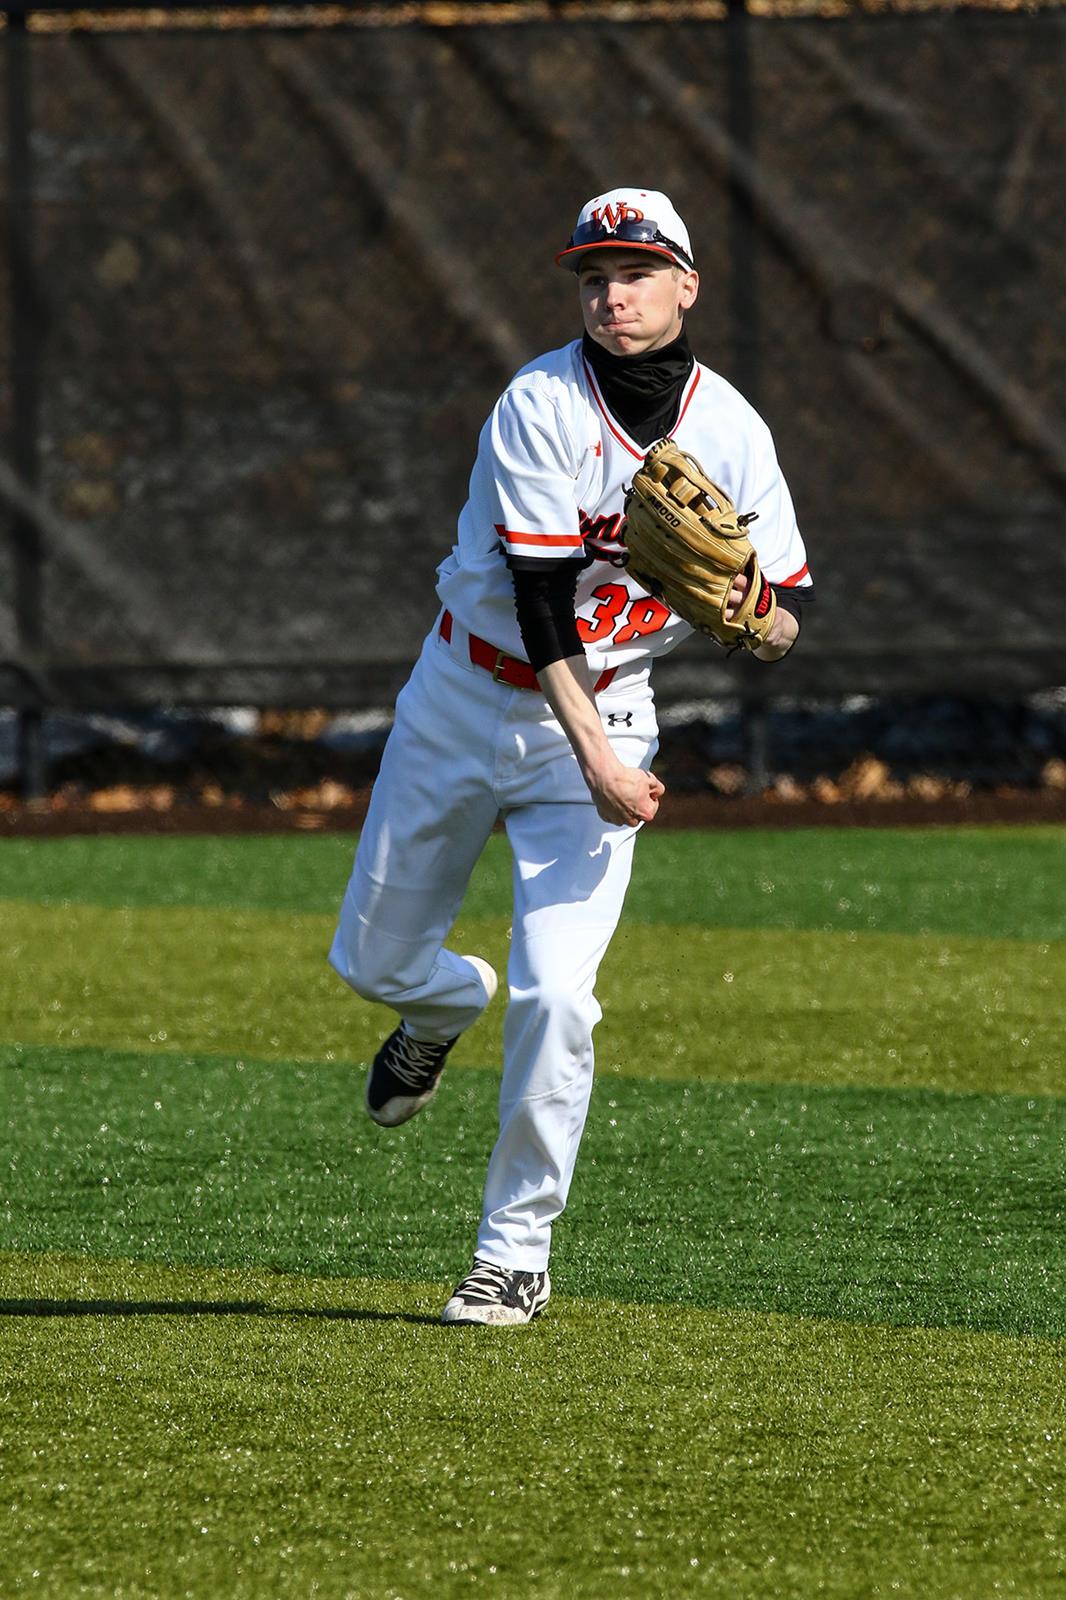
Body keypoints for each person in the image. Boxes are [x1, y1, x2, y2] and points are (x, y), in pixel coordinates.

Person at [329, 188, 813, 1326]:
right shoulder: (538, 402)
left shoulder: (732, 429)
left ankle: (515, 1250)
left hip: (614, 709)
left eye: (636, 271)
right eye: (593, 274)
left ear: (685, 286)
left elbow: (787, 611)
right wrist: (596, 758)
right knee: (373, 962)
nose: (611, 292)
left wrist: (748, 609)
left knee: (562, 995)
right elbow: (543, 600)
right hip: (467, 694)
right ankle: (439, 1011)